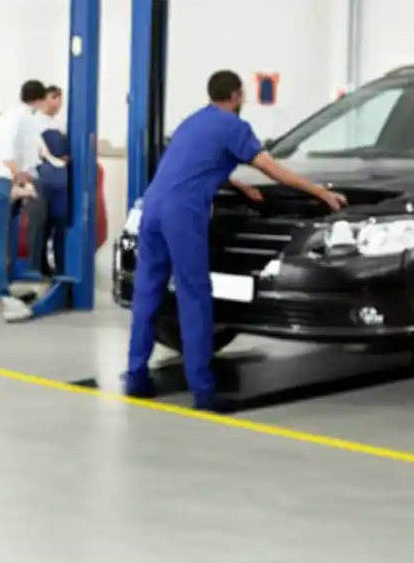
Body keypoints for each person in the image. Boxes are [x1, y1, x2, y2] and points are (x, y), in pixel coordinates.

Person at [125, 70, 347, 412]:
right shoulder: (235, 127)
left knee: (148, 290)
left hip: (152, 207)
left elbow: (195, 163)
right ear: (237, 95)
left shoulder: (193, 121)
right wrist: (317, 190)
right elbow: (271, 168)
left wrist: (236, 184)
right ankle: (203, 391)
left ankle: (137, 377)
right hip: (182, 214)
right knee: (194, 294)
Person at [0, 79, 48, 299]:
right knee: (3, 239)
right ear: (39, 100)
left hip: (5, 181)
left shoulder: (9, 116)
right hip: (6, 182)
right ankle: (1, 287)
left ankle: (8, 278)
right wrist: (21, 181)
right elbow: (8, 157)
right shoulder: (20, 119)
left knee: (10, 236)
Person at [34, 85, 69, 276]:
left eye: (60, 99)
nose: (58, 104)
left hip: (61, 180)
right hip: (46, 178)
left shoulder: (59, 124)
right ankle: (40, 266)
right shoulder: (36, 123)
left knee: (60, 223)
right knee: (43, 225)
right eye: (56, 98)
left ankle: (61, 266)